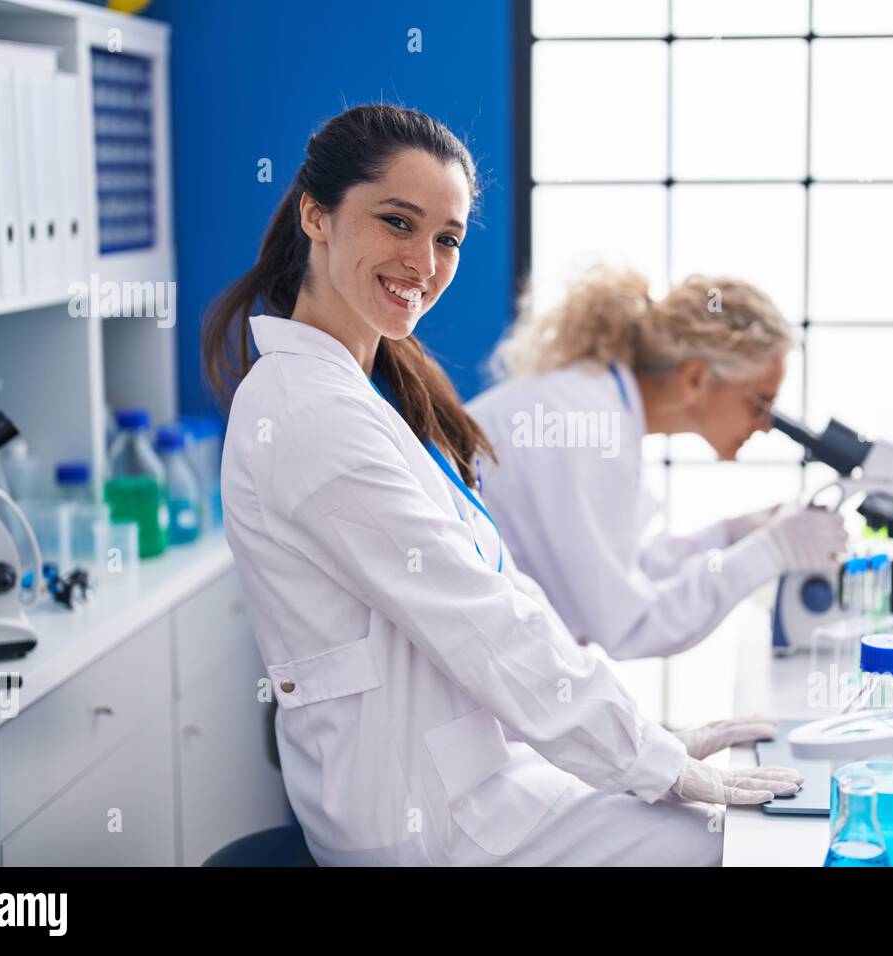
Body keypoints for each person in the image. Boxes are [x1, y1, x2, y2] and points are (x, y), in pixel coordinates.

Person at [204, 105, 802, 867]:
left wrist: (650, 743)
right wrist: (651, 758)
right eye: (397, 222)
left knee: (726, 831)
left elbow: (508, 595)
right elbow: (480, 619)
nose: (423, 262)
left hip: (482, 775)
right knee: (728, 847)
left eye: (447, 239)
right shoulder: (310, 415)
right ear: (316, 216)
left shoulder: (361, 394)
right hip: (423, 815)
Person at [467, 269, 848, 659]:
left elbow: (631, 566)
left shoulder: (598, 401)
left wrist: (729, 536)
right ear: (696, 379)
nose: (765, 427)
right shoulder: (587, 426)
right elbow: (631, 627)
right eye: (760, 405)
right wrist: (770, 551)